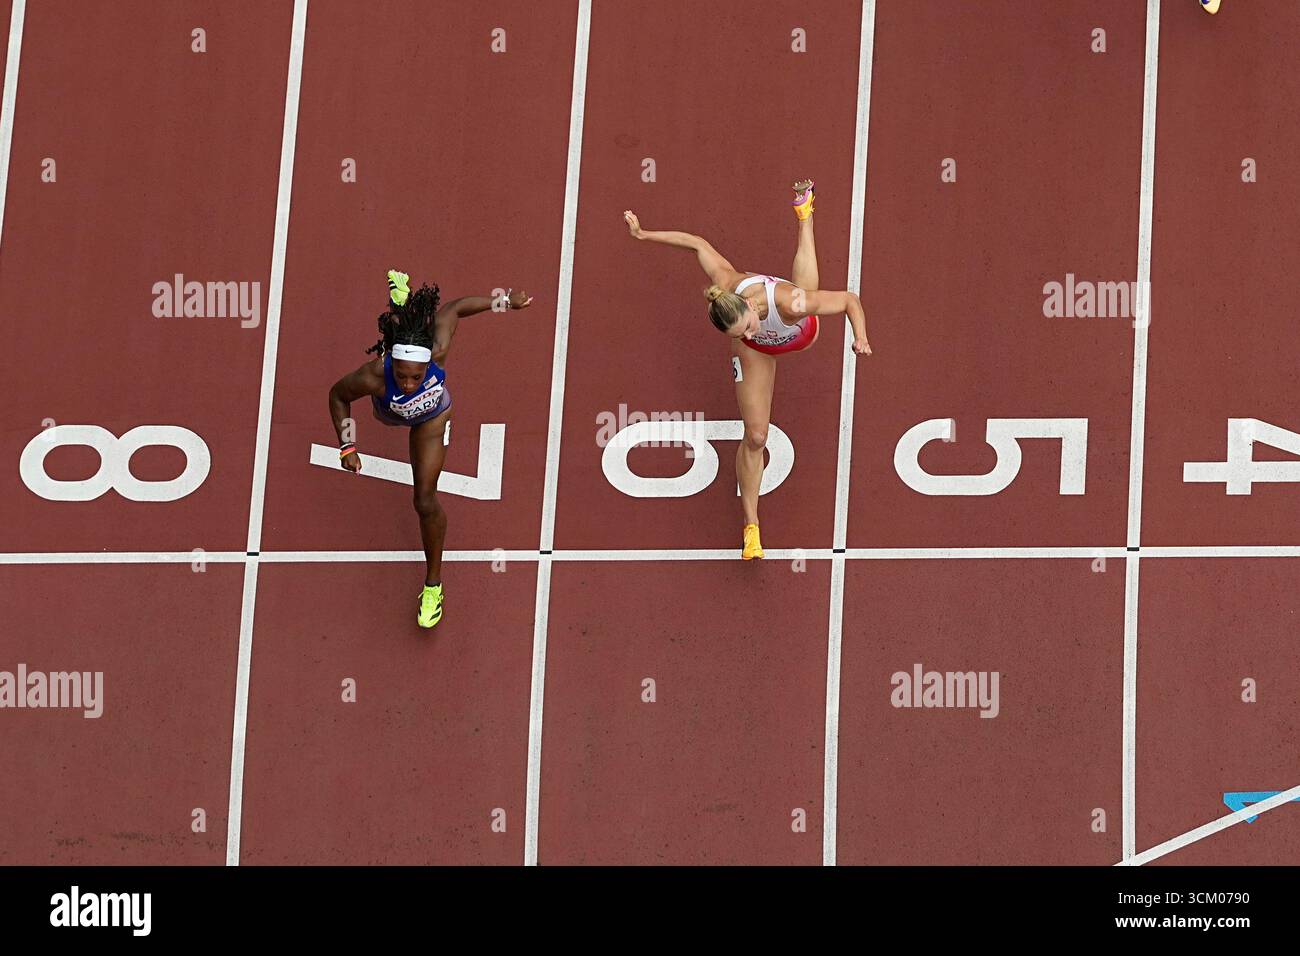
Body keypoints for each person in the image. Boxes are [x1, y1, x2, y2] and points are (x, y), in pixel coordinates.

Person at [623, 180, 871, 559]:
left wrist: (860, 337)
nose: (750, 333)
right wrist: (643, 234)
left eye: (748, 327)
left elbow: (851, 300)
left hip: (798, 331)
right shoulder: (728, 289)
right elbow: (696, 244)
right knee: (756, 436)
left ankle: (804, 218)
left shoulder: (790, 305)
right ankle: (751, 529)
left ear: (751, 310)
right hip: (759, 354)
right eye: (738, 334)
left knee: (806, 289)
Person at [327, 270, 533, 628]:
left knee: (424, 500)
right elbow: (338, 396)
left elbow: (454, 309)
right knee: (400, 328)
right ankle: (399, 303)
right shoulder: (375, 374)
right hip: (389, 416)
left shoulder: (436, 351)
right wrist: (347, 445)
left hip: (432, 419)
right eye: (403, 375)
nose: (408, 383)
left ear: (428, 365)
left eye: (416, 376)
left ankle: (433, 587)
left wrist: (503, 301)